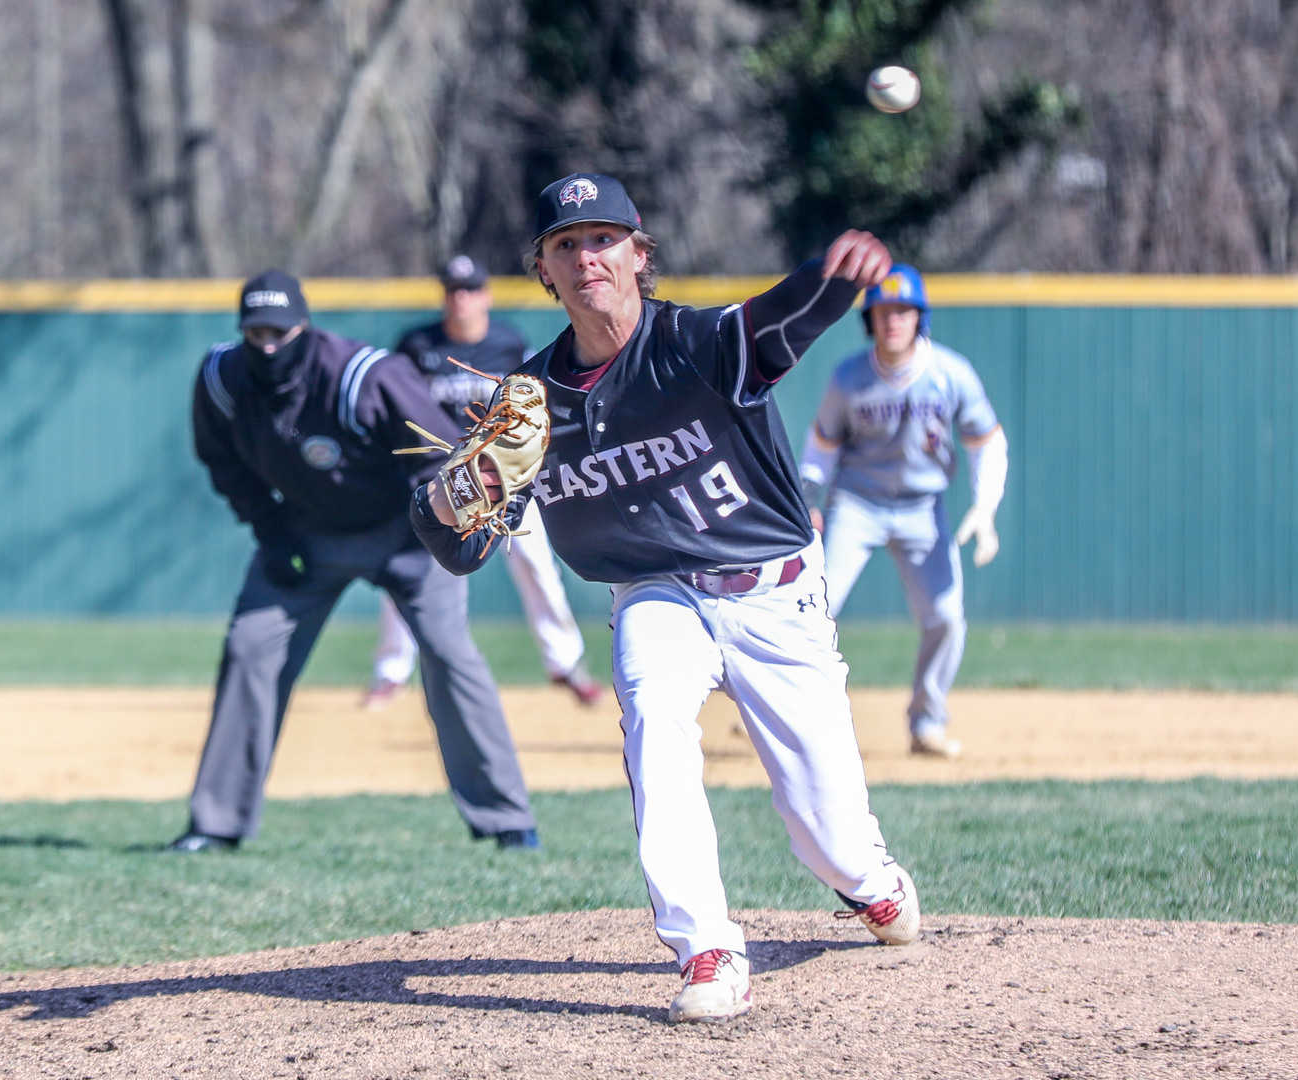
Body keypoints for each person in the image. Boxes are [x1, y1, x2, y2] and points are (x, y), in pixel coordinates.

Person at [410, 173, 919, 1023]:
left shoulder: (699, 343)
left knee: (826, 834)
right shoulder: (530, 402)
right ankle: (707, 949)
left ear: (639, 255)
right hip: (653, 592)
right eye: (566, 244)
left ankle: (868, 880)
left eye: (604, 239)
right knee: (652, 715)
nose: (587, 257)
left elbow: (781, 320)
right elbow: (459, 550)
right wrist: (442, 498)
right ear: (544, 270)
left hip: (769, 591)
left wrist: (835, 278)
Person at [170, 270, 540, 853]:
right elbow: (221, 460)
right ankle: (215, 825)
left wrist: (444, 528)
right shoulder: (222, 377)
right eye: (255, 332)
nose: (267, 345)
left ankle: (507, 821)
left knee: (449, 654)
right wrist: (268, 528)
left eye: (279, 332)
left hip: (406, 530)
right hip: (304, 533)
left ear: (304, 326)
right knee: (249, 646)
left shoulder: (365, 375)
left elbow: (441, 458)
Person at [362, 255, 604, 709]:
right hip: (441, 480)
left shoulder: (509, 344)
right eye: (453, 290)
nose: (461, 298)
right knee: (410, 567)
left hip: (505, 480)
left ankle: (566, 663)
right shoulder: (417, 345)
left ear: (486, 296)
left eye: (470, 289)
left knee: (537, 565)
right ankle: (390, 672)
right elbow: (395, 406)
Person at [799, 268, 1007, 760]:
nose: (893, 320)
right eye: (883, 311)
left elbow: (987, 441)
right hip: (857, 502)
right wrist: (809, 500)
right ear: (869, 319)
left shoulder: (950, 373)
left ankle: (927, 723)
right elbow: (820, 448)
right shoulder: (850, 377)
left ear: (920, 318)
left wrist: (986, 505)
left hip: (922, 508)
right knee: (811, 609)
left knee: (946, 617)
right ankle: (782, 707)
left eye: (903, 310)